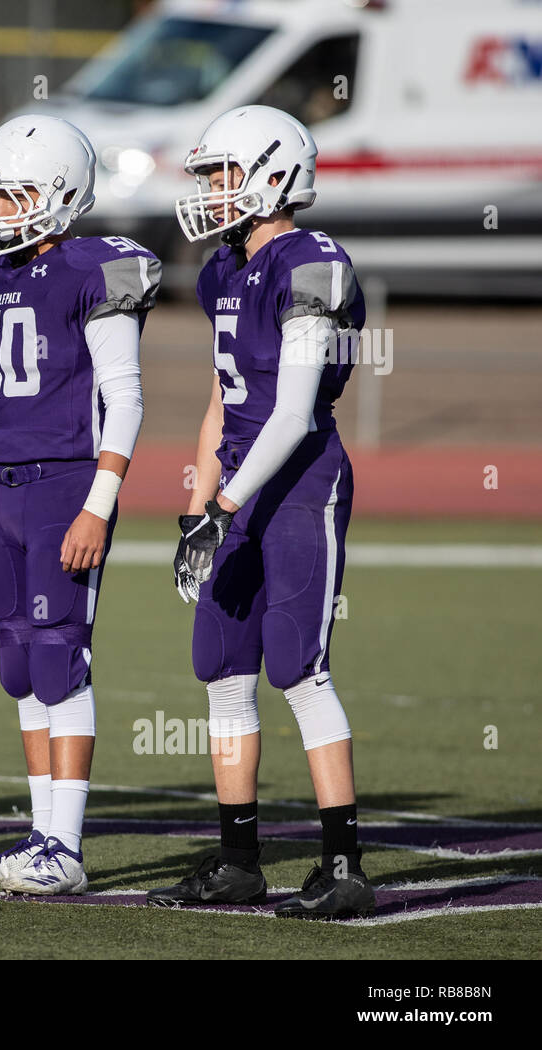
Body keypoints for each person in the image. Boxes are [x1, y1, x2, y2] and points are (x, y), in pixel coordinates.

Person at [147, 104, 374, 919]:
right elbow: (222, 398)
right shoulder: (224, 270)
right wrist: (197, 505)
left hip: (300, 482)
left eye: (222, 174)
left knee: (298, 670)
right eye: (207, 176)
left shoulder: (312, 261)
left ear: (273, 174)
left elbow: (292, 411)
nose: (210, 190)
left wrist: (229, 503)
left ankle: (343, 864)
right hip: (239, 493)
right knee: (222, 671)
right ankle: (241, 860)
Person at [0, 115, 160, 895]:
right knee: (21, 665)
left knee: (61, 659)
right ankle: (41, 838)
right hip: (1, 488)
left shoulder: (95, 272)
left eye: (13, 196)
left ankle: (64, 847)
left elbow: (125, 401)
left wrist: (99, 505)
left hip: (67, 484)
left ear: (62, 197)